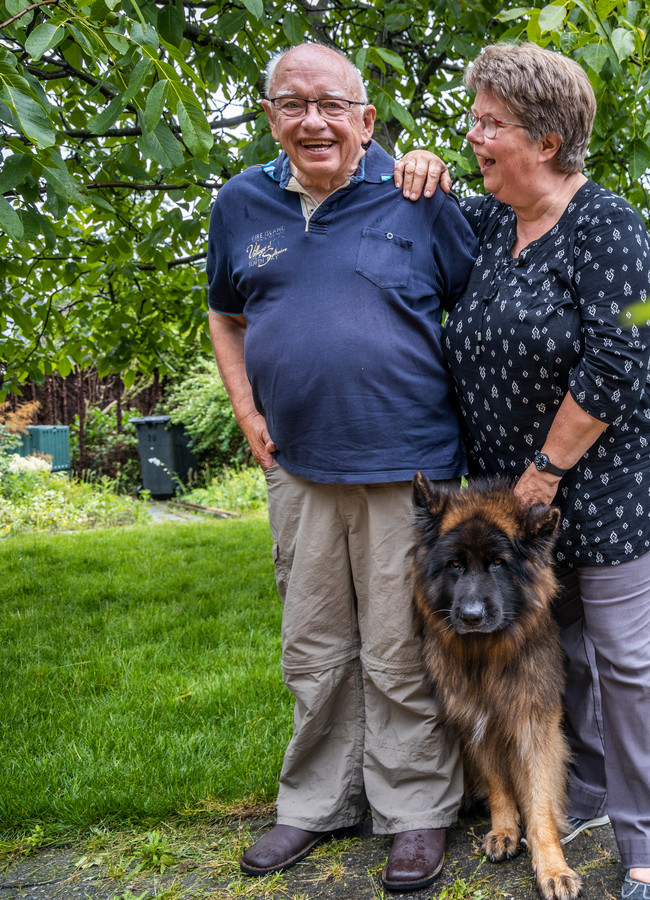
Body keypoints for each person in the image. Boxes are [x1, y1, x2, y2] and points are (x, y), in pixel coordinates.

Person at [395, 41, 650, 900]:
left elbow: (613, 366)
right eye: (474, 119)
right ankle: (582, 790)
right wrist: (420, 163)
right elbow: (431, 196)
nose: (472, 134)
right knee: (559, 657)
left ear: (548, 141)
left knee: (628, 660)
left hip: (607, 479)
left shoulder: (608, 228)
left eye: (489, 123)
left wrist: (545, 472)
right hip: (516, 490)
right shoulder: (492, 223)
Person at [205, 42, 476, 892]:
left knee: (399, 649)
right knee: (314, 644)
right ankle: (315, 805)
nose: (312, 121)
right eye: (293, 104)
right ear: (271, 118)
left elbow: (481, 310)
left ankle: (416, 812)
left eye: (332, 105)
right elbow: (224, 316)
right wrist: (248, 411)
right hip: (300, 469)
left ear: (366, 118)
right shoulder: (240, 204)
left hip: (410, 466)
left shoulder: (417, 195)